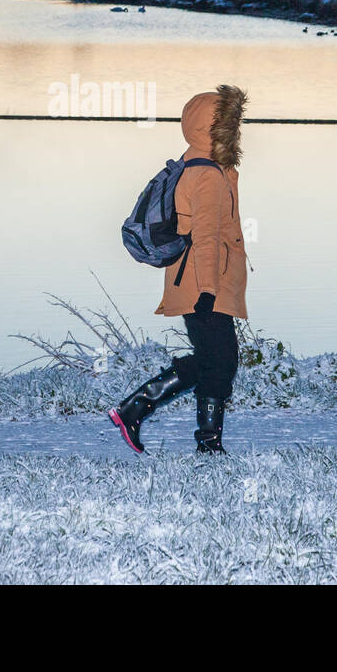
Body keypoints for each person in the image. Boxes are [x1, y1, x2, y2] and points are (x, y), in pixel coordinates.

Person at [109, 84, 248, 454]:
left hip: (196, 280)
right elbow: (204, 238)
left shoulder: (199, 164)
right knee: (219, 361)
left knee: (215, 361)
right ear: (213, 129)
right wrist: (208, 291)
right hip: (204, 284)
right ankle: (137, 409)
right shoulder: (208, 176)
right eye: (231, 123)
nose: (237, 130)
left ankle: (202, 440)